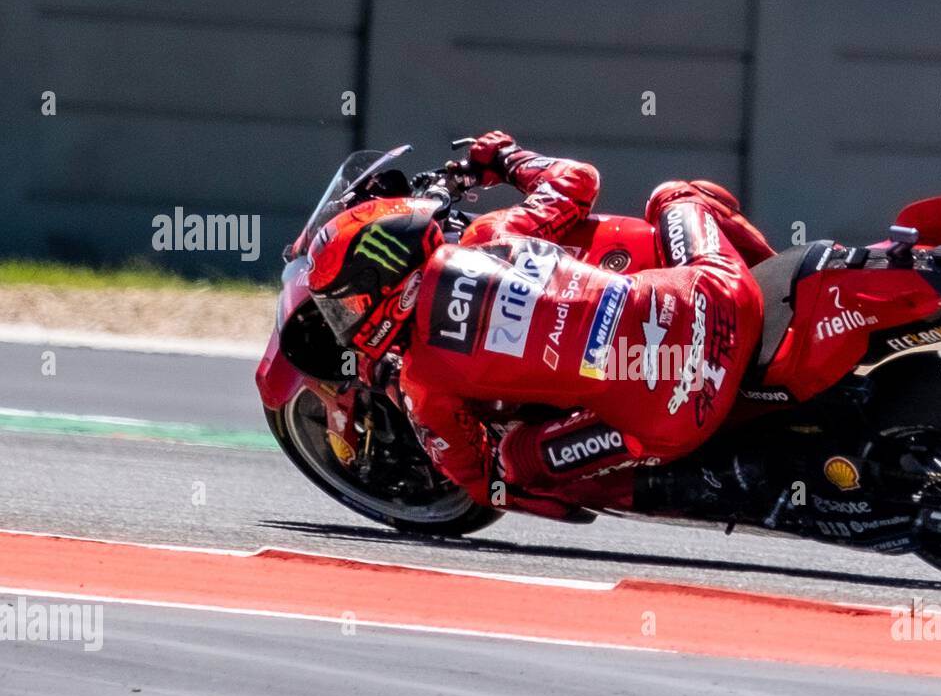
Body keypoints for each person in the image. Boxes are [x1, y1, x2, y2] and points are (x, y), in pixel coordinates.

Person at [306, 131, 772, 516]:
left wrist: (391, 384)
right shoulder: (490, 234)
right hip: (723, 297)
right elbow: (577, 180)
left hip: (679, 416)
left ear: (388, 285)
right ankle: (778, 287)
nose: (346, 317)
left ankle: (654, 491)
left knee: (515, 461)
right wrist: (505, 160)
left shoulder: (423, 381)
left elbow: (479, 480)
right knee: (675, 195)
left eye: (346, 305)